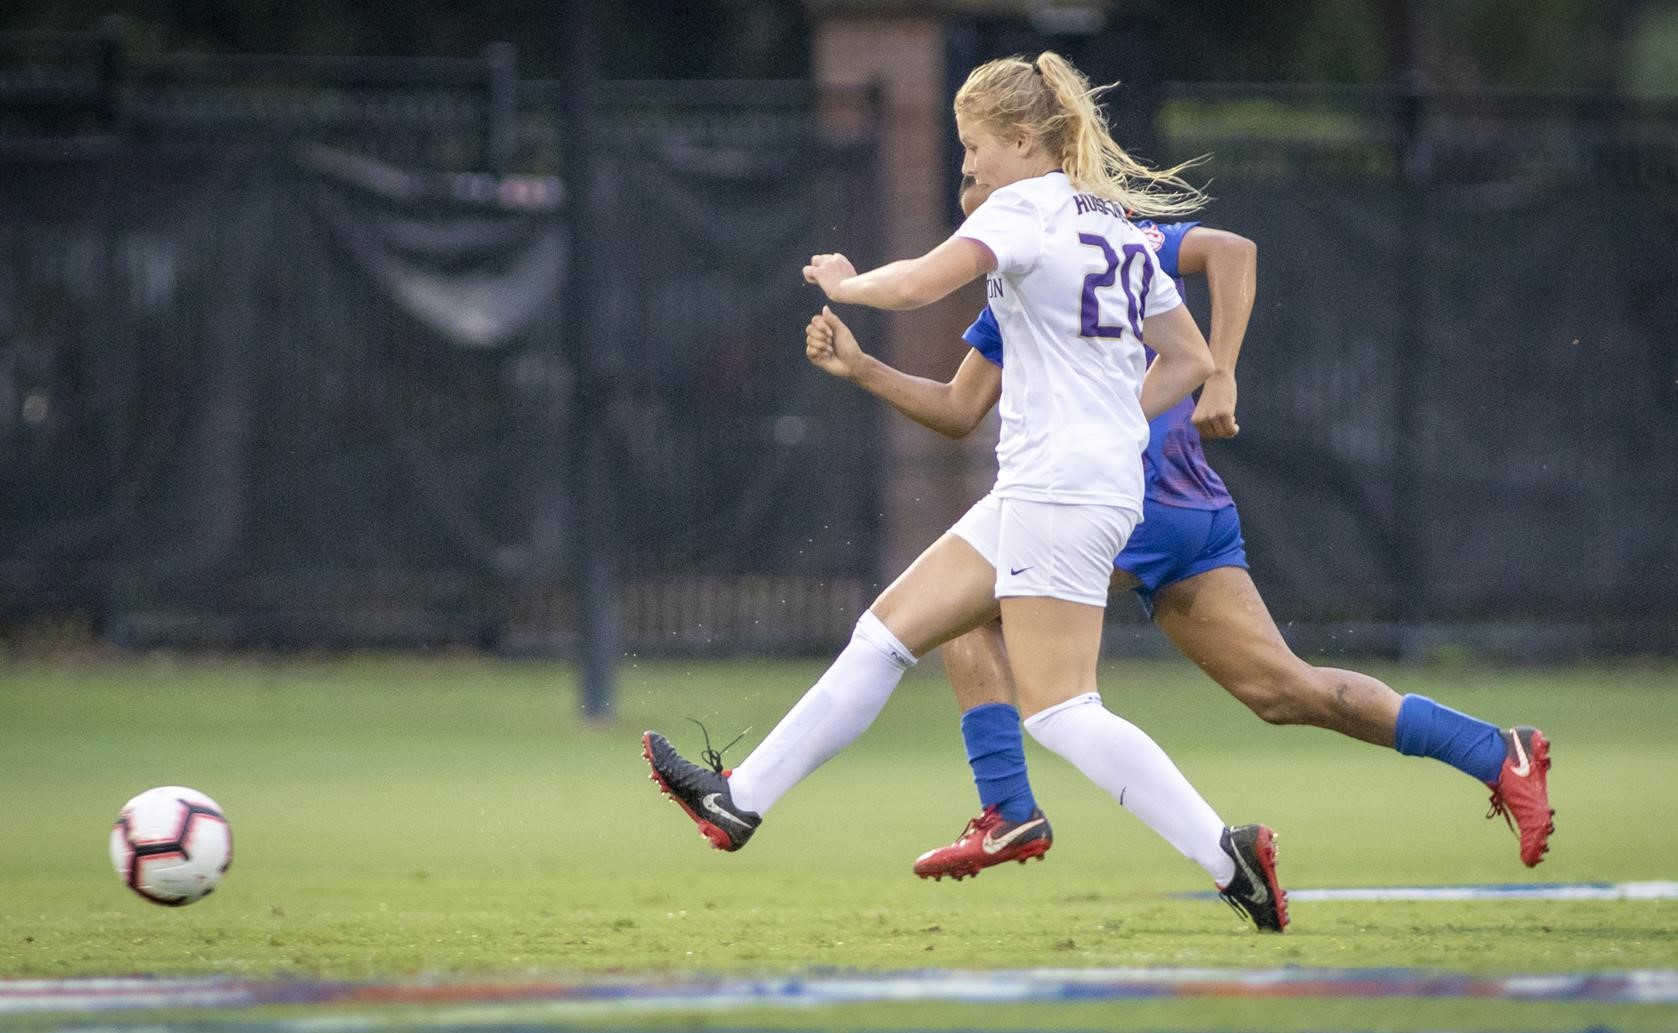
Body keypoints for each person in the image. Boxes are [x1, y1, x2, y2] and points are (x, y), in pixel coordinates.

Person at [642, 52, 1289, 933]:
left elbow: (915, 284)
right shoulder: (1113, 221)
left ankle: (1228, 854)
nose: (971, 170)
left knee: (1063, 709)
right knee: (886, 632)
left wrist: (844, 284)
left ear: (1023, 142)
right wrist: (1113, 424)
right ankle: (739, 800)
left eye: (974, 148)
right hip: (1070, 484)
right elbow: (1188, 359)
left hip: (1057, 487)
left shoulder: (1026, 206)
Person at [801, 179, 1555, 884]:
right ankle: (1495, 750)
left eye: (976, 167)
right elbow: (961, 409)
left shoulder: (1096, 235)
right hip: (1184, 507)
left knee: (967, 604)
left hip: (1123, 494)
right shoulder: (1020, 296)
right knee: (1284, 689)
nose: (969, 190)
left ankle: (1008, 810)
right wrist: (865, 368)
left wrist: (1220, 370)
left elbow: (1231, 250)